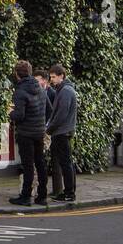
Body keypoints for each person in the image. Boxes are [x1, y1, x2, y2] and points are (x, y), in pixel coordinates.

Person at [8, 60, 50, 206]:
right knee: (40, 163)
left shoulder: (20, 91)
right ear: (31, 72)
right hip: (39, 132)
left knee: (28, 166)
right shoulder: (40, 88)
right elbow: (49, 110)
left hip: (26, 133)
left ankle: (26, 197)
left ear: (17, 74)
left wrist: (10, 112)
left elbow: (19, 116)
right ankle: (42, 196)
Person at [46, 64, 78, 202]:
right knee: (66, 162)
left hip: (62, 132)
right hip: (63, 131)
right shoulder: (64, 89)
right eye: (51, 77)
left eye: (54, 77)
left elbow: (60, 115)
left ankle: (69, 193)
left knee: (65, 163)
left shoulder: (65, 91)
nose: (51, 79)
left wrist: (49, 129)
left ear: (61, 76)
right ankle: (68, 191)